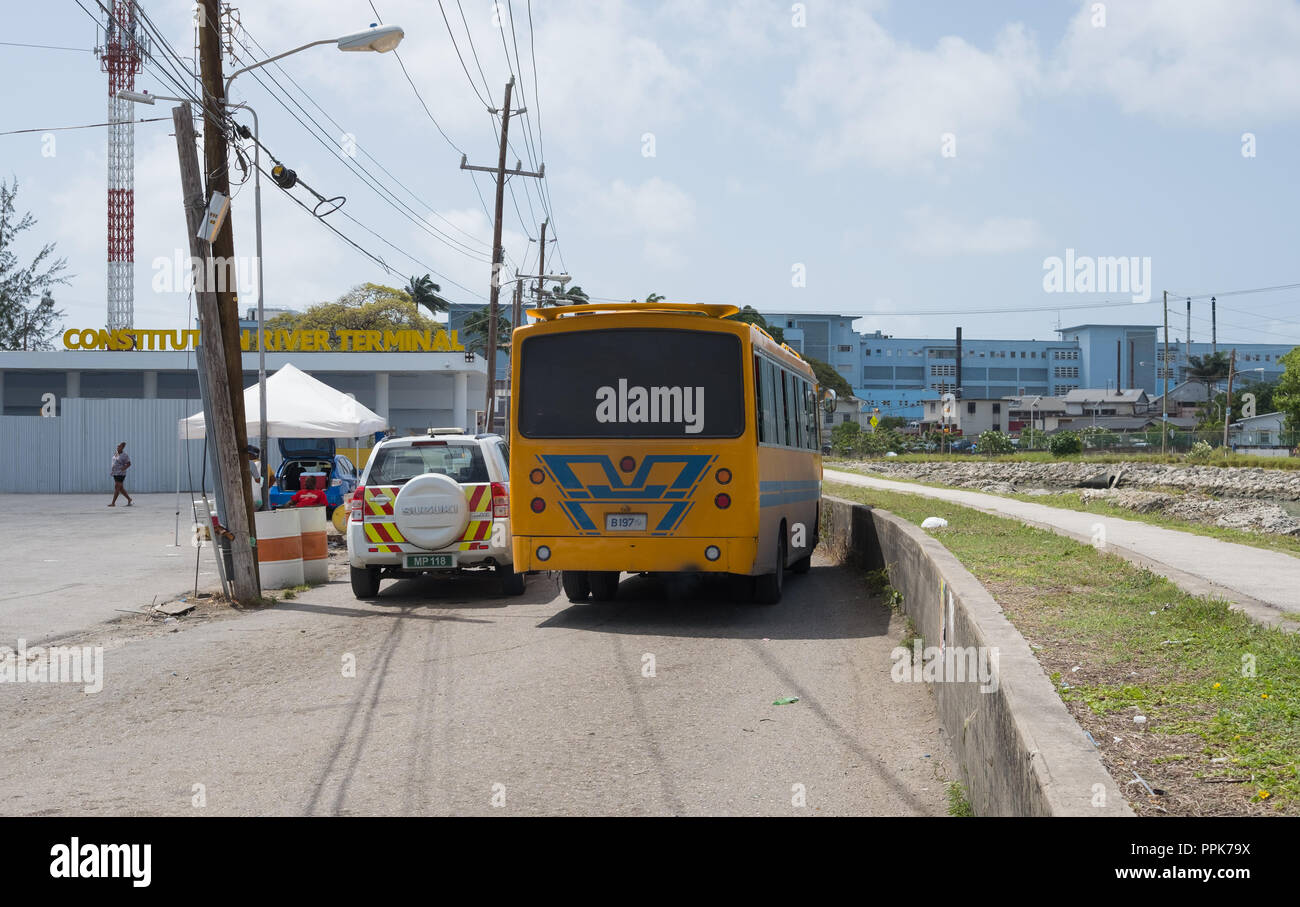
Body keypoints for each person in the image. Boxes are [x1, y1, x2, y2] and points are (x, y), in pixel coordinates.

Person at [109, 442, 133, 507]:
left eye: (119, 446)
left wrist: (123, 468)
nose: (117, 447)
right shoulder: (116, 453)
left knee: (117, 487)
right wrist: (113, 470)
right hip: (115, 473)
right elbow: (114, 462)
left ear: (122, 447)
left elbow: (129, 463)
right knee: (120, 488)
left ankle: (113, 503)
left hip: (121, 474)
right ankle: (129, 499)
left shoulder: (124, 455)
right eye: (117, 446)